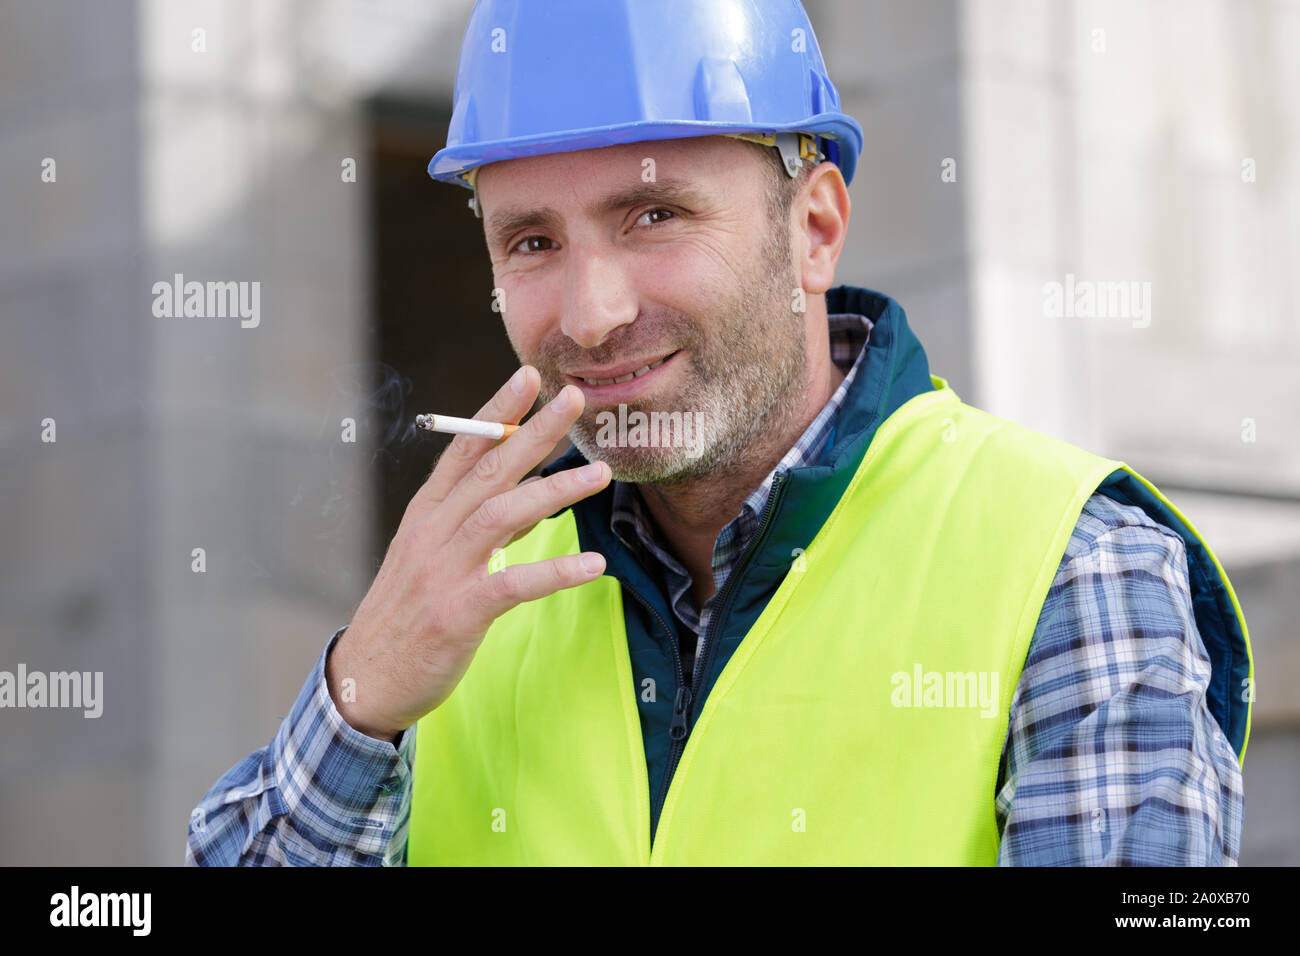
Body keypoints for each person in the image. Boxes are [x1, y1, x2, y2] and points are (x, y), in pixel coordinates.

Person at [187, 0, 1252, 866]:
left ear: (814, 228)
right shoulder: (464, 597)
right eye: (531, 240)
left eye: (654, 216)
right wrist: (358, 698)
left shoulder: (1073, 569)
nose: (591, 311)